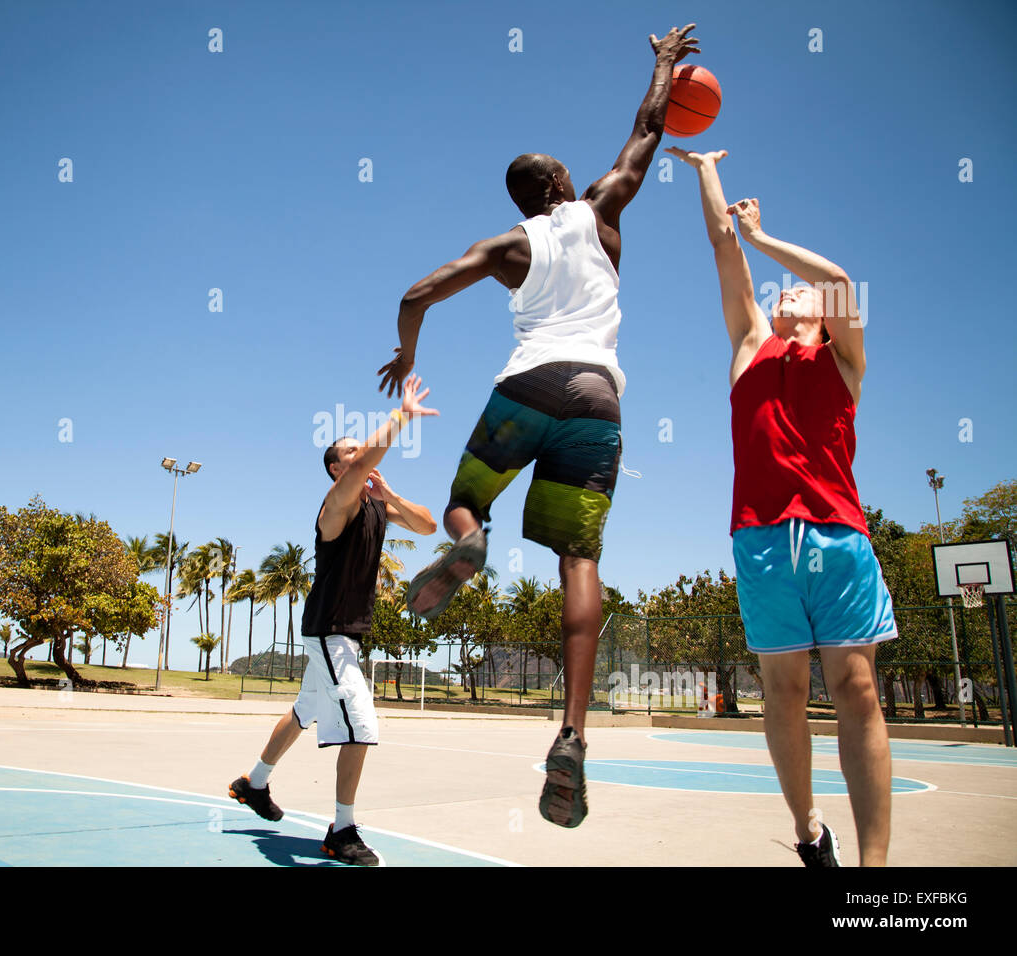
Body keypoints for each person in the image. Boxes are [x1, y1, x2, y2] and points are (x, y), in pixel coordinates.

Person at [375, 25, 701, 828]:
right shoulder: (600, 207)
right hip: (597, 396)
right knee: (578, 556)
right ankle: (573, 736)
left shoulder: (504, 246)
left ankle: (470, 541)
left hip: (526, 384)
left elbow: (416, 294)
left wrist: (403, 350)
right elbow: (648, 131)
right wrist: (661, 63)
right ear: (560, 180)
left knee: (465, 496)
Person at [667, 145, 896, 867]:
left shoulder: (843, 360)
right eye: (778, 289)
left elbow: (834, 280)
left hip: (837, 534)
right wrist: (706, 170)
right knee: (784, 691)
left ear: (824, 319)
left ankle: (874, 874)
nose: (782, 292)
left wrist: (768, 238)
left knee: (856, 686)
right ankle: (807, 830)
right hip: (761, 538)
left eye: (796, 296)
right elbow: (721, 247)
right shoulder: (749, 347)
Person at [228, 375, 438, 865]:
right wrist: (402, 414)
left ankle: (253, 784)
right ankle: (341, 830)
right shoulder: (336, 505)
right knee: (361, 725)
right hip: (331, 631)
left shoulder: (376, 505)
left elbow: (427, 524)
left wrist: (390, 495)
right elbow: (366, 460)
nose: (360, 452)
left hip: (345, 635)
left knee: (305, 712)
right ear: (334, 468)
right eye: (350, 451)